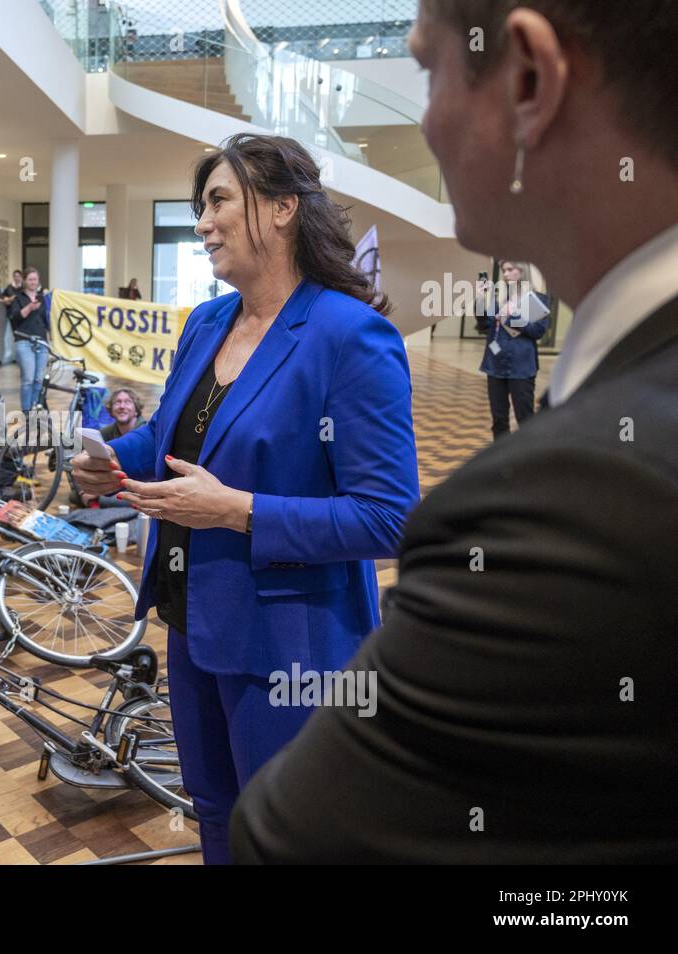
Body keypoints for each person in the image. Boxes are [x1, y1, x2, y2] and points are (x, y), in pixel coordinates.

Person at [230, 0, 678, 864]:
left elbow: (287, 838)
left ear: (528, 81)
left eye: (430, 71)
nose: (425, 117)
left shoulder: (576, 504)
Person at [71, 133, 420, 864]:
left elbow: (390, 517)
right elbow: (172, 438)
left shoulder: (350, 336)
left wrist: (239, 511)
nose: (202, 223)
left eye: (218, 201)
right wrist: (111, 465)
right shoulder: (206, 323)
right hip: (192, 618)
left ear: (284, 208)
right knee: (216, 813)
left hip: (290, 646)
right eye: (201, 206)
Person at [475, 259, 549, 438]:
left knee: (525, 418)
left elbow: (538, 331)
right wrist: (479, 298)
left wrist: (513, 316)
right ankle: (500, 459)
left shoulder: (536, 299)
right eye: (503, 270)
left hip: (521, 366)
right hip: (495, 364)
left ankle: (527, 461)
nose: (505, 274)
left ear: (522, 272)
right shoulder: (500, 297)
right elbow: (485, 324)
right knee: (499, 419)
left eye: (510, 269)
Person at [10, 267, 50, 411]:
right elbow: (14, 319)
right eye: (30, 279)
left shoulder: (42, 298)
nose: (33, 282)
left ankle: (35, 406)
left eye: (35, 279)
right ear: (24, 281)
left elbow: (47, 321)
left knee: (39, 379)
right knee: (28, 379)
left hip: (41, 341)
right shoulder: (18, 298)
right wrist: (29, 308)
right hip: (24, 341)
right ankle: (26, 410)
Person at [0, 269, 24, 363]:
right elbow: (0, 297)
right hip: (11, 314)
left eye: (18, 276)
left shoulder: (24, 287)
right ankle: (12, 356)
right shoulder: (9, 287)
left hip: (22, 315)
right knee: (10, 337)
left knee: (21, 336)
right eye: (15, 276)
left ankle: (20, 357)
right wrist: (7, 299)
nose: (16, 278)